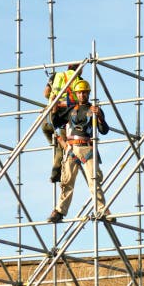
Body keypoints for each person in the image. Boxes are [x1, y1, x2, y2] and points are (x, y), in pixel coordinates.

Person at [47, 79, 112, 224]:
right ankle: (59, 211)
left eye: (84, 92)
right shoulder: (71, 110)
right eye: (80, 93)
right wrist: (54, 107)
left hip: (87, 147)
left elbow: (104, 130)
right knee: (67, 181)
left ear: (88, 93)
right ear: (76, 94)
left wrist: (99, 116)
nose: (82, 95)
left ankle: (102, 209)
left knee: (94, 181)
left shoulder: (94, 110)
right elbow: (55, 122)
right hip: (72, 149)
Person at [42, 63, 82, 183]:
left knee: (53, 138)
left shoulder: (55, 76)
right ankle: (56, 171)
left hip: (49, 116)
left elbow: (46, 94)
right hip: (66, 116)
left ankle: (56, 155)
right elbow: (80, 100)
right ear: (79, 70)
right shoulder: (79, 80)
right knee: (62, 145)